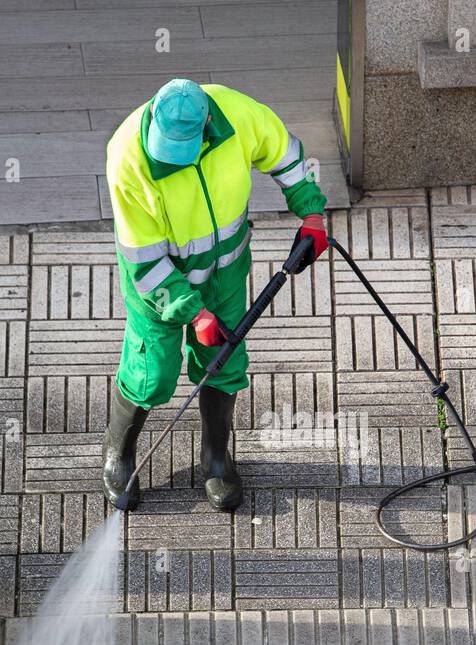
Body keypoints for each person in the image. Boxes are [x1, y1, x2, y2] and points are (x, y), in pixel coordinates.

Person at [102, 78, 329, 511]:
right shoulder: (128, 157)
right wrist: (192, 313)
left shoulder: (238, 114)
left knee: (224, 363)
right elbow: (144, 261)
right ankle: (119, 453)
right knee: (152, 372)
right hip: (160, 287)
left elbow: (287, 155)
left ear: (208, 125)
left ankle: (216, 457)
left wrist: (311, 211)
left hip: (225, 273)